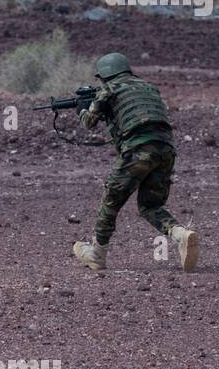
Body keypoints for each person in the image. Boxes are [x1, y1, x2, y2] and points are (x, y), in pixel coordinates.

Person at [72, 53, 198, 272]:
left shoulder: (108, 89)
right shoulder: (148, 87)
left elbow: (89, 123)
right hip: (166, 149)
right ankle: (180, 235)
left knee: (111, 200)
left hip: (138, 150)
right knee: (151, 205)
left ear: (105, 75)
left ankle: (97, 254)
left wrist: (83, 109)